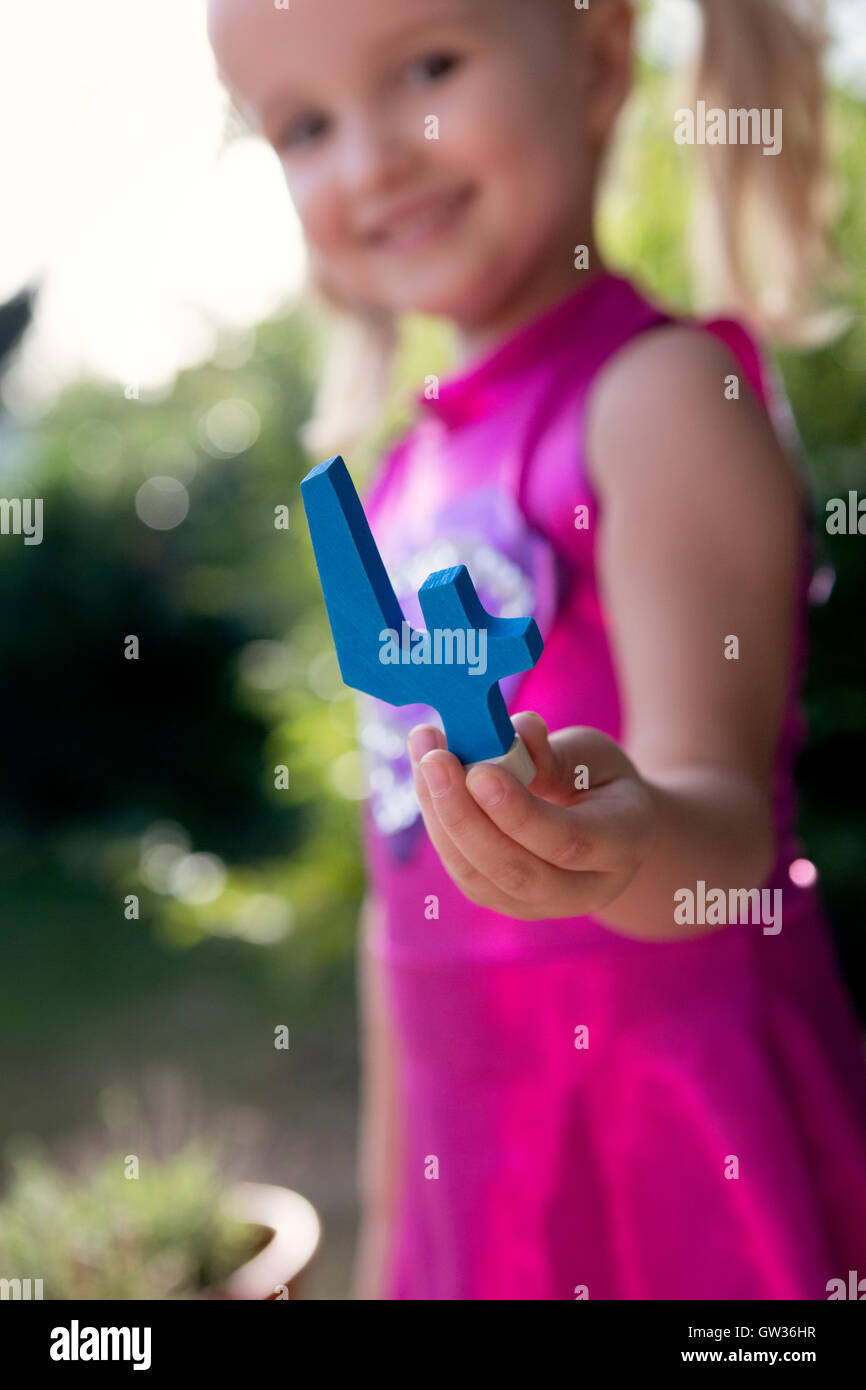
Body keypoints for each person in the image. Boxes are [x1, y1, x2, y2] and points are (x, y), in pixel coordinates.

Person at [207, 0, 866, 1299]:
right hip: (482, 1163)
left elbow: (728, 836)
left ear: (599, 58)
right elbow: (400, 915)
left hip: (671, 1142)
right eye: (303, 126)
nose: (371, 160)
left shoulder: (656, 399)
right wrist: (399, 1230)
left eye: (428, 67)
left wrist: (615, 844)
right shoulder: (398, 479)